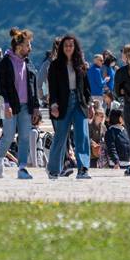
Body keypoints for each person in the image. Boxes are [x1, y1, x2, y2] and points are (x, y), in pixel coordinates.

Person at [46, 34, 93, 181]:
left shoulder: (81, 64)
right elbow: (52, 88)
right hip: (62, 103)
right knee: (60, 136)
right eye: (66, 45)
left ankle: (83, 169)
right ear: (62, 48)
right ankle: (53, 169)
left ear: (75, 47)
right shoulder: (55, 65)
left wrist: (90, 105)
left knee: (82, 136)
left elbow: (87, 88)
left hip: (79, 102)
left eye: (71, 45)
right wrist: (53, 105)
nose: (68, 48)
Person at [0, 28, 40, 179]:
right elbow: (0, 87)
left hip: (26, 106)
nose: (30, 48)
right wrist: (5, 106)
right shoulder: (4, 63)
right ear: (19, 46)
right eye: (28, 45)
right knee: (8, 136)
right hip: (9, 105)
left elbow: (33, 86)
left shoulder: (28, 63)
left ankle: (22, 168)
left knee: (25, 137)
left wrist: (36, 108)